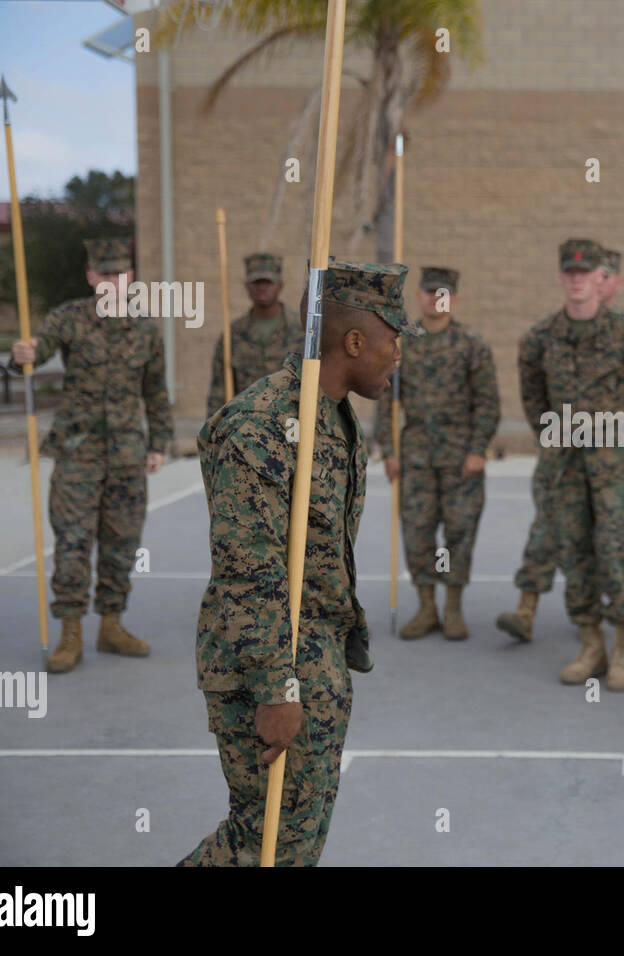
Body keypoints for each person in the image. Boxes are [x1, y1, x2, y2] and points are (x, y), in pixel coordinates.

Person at [180, 259, 419, 866]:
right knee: (263, 840)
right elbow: (247, 569)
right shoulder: (263, 426)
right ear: (355, 341)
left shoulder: (332, 414)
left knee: (298, 841)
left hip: (317, 657)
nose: (399, 355)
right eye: (394, 340)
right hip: (268, 666)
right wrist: (277, 687)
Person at [9, 238, 172, 673]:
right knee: (73, 543)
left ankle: (112, 625)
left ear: (131, 277)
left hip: (126, 454)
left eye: (120, 274)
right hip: (77, 453)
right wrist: (21, 356)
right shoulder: (69, 318)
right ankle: (71, 632)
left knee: (121, 544)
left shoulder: (145, 328)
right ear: (90, 276)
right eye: (104, 274)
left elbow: (155, 391)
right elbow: (35, 351)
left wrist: (159, 442)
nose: (112, 282)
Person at [518, 239, 624, 690]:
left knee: (614, 551)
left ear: (602, 279)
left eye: (587, 273)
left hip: (612, 465)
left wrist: (621, 444)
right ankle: (590, 642)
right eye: (570, 273)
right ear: (562, 277)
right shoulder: (539, 338)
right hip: (564, 464)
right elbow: (533, 399)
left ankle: (623, 645)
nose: (578, 280)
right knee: (574, 555)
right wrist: (556, 437)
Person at [375, 267, 500, 640]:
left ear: (455, 299)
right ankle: (427, 605)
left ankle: (453, 606)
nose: (436, 299)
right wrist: (389, 450)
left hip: (461, 458)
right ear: (419, 295)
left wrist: (479, 450)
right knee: (418, 532)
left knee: (460, 531)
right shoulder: (399, 343)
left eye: (443, 293)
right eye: (430, 292)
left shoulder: (471, 344)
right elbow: (384, 399)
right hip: (415, 457)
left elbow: (487, 402)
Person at [207, 252, 303, 419]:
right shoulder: (233, 335)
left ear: (280, 285)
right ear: (246, 286)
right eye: (256, 283)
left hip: (290, 426)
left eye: (268, 282)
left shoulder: (301, 330)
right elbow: (218, 393)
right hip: (246, 429)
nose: (262, 288)